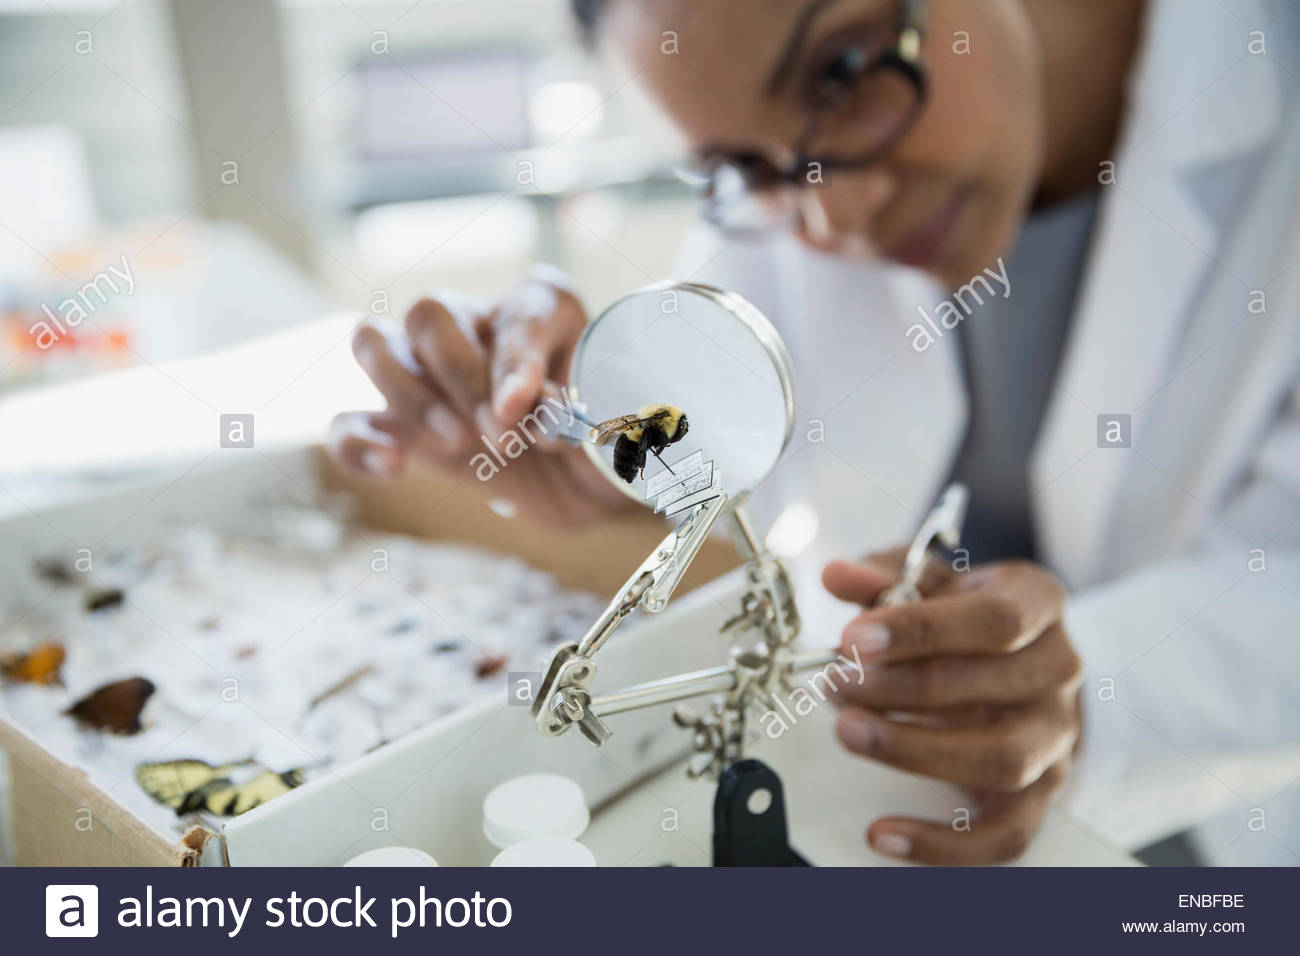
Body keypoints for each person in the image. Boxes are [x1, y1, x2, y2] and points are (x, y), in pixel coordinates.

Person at [331, 0, 1300, 865]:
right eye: (740, 164)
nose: (835, 216)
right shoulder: (785, 210)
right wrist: (597, 464)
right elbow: (735, 435)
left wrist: (1083, 692)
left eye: (840, 71)